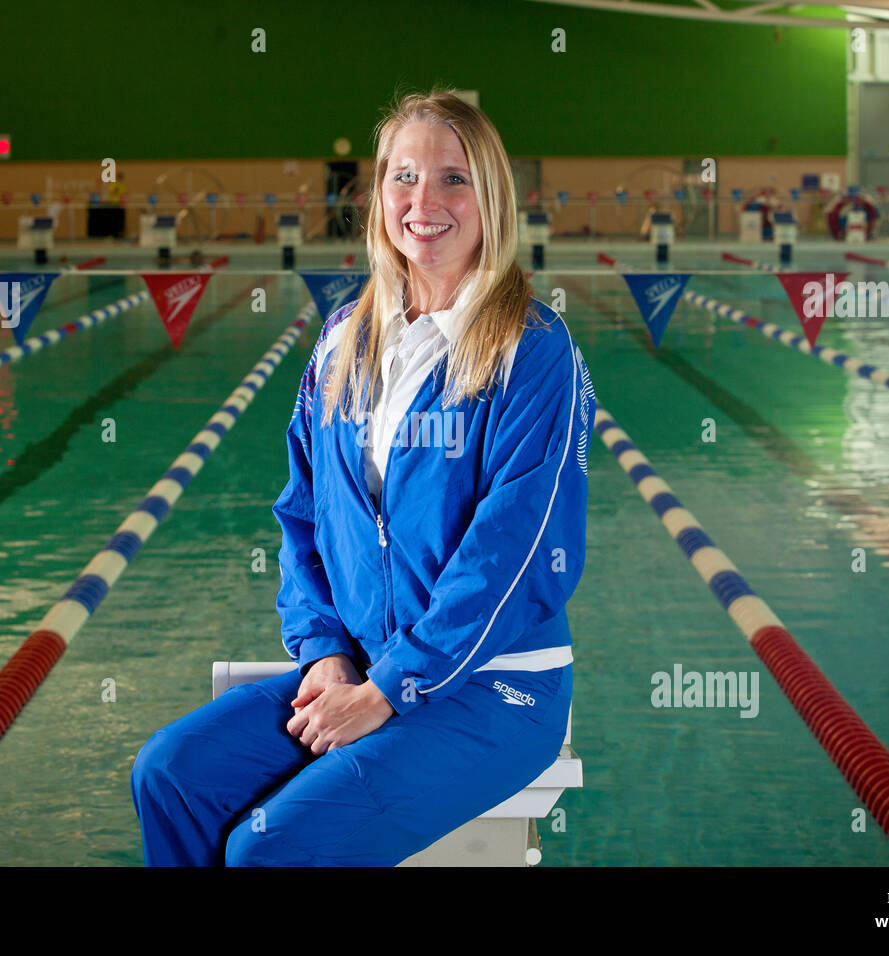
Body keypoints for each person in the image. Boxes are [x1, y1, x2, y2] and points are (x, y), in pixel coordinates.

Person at [131, 87, 596, 866]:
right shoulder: (346, 338)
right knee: (169, 774)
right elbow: (303, 514)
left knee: (268, 850)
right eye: (403, 177)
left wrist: (387, 691)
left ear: (493, 197)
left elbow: (513, 553)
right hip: (364, 664)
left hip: (494, 688)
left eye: (455, 178)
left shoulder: (532, 349)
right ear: (379, 193)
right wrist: (323, 654)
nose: (425, 201)